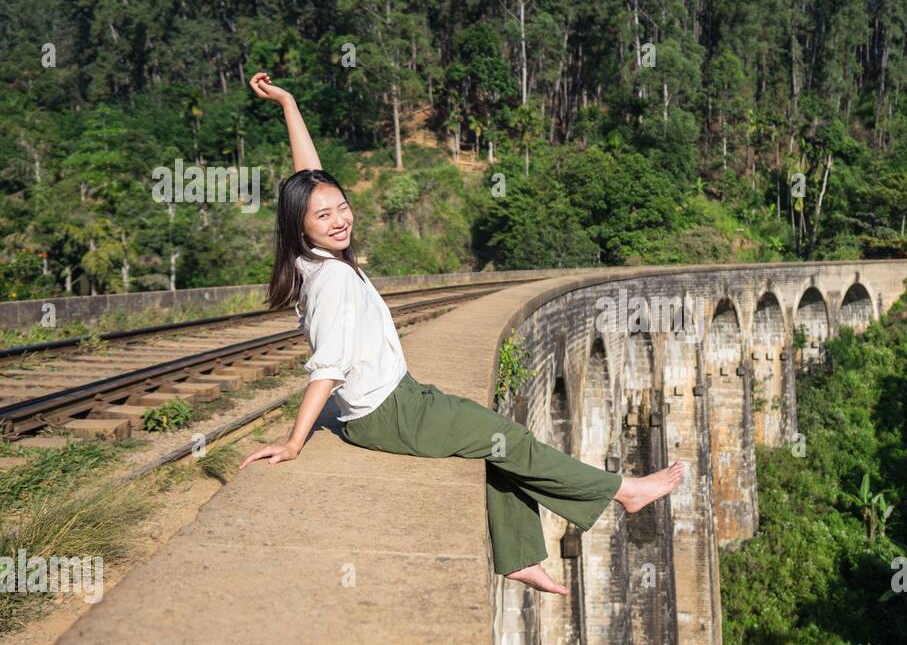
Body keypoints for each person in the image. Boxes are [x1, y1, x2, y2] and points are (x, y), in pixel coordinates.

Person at [236, 71, 684, 595]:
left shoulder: (308, 254)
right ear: (301, 224)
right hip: (388, 412)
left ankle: (519, 555)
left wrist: (288, 102)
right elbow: (328, 368)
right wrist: (294, 442)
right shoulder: (332, 277)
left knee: (494, 435)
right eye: (324, 215)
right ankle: (623, 491)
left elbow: (308, 176)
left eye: (343, 207)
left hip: (398, 395)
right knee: (507, 438)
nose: (340, 220)